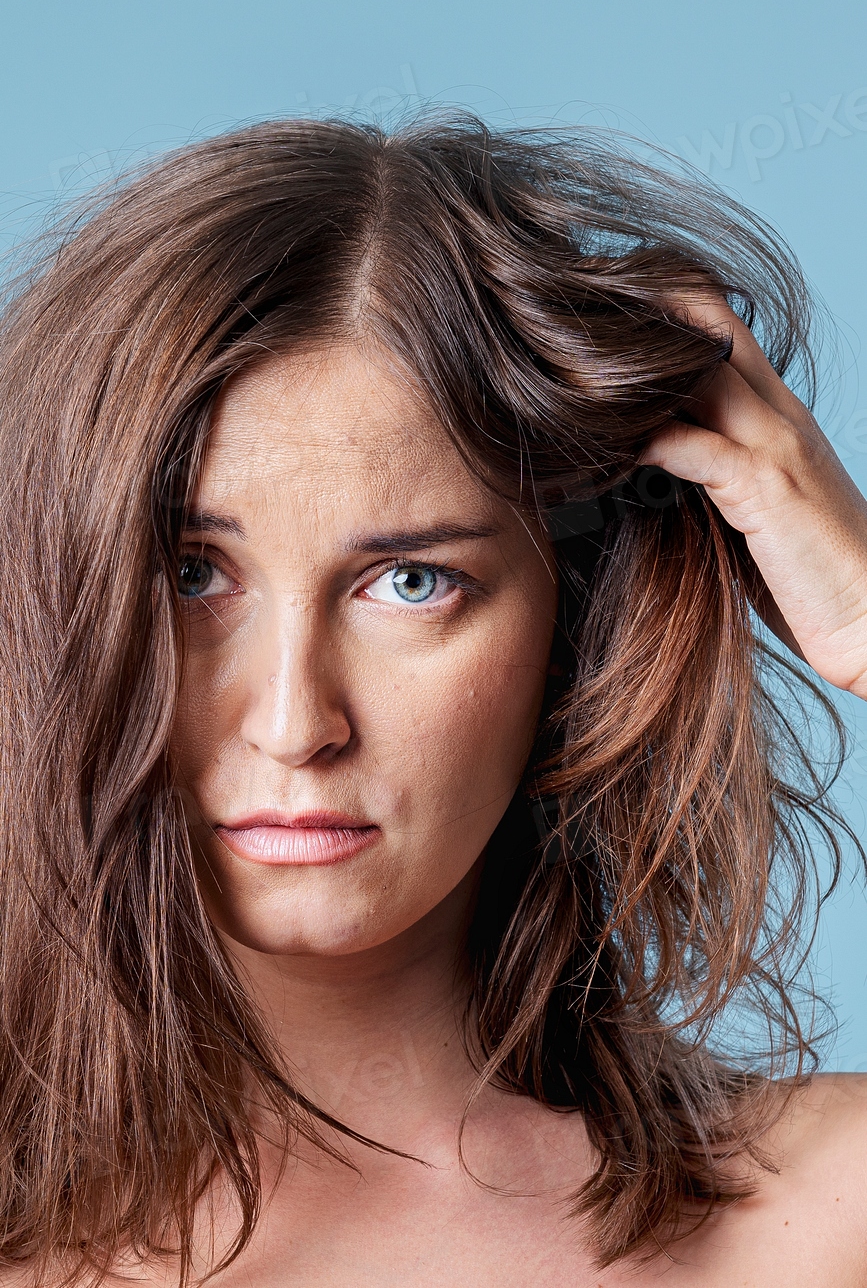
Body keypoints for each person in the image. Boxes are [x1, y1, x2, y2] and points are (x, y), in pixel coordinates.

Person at [1, 112, 867, 1287]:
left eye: (410, 583)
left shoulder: (817, 1212)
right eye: (192, 574)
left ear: (569, 622)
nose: (295, 724)